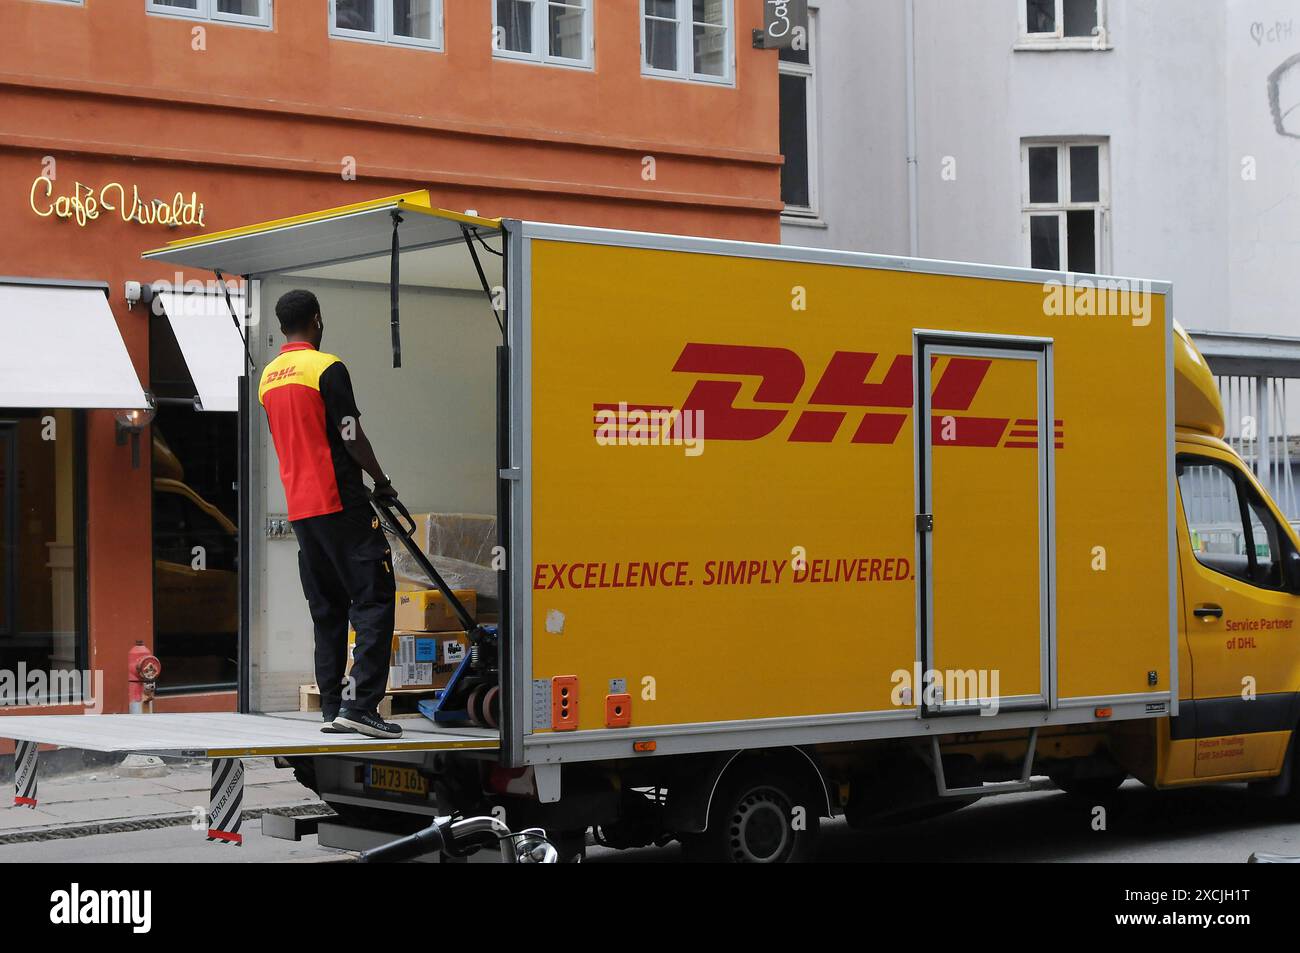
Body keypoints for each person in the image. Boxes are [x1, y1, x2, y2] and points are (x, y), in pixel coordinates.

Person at [258, 289, 402, 740]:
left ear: (283, 327)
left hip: (302, 511)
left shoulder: (268, 379)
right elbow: (349, 433)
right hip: (340, 501)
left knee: (327, 609)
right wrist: (380, 479)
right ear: (317, 320)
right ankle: (362, 706)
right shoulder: (325, 367)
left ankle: (333, 708)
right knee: (374, 598)